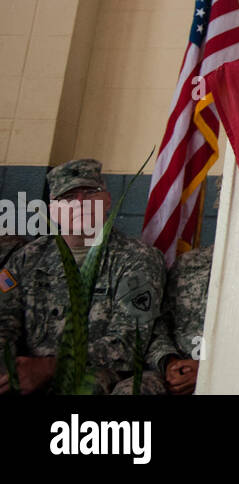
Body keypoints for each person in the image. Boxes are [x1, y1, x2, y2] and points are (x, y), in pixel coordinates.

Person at [0, 159, 166, 395]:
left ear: (107, 200)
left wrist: (51, 367)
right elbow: (4, 321)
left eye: (90, 193)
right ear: (53, 210)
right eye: (68, 197)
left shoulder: (137, 258)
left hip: (100, 373)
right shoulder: (27, 258)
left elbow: (128, 343)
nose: (79, 203)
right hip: (27, 371)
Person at [144, 244, 213, 395]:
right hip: (175, 370)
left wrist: (209, 370)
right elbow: (158, 326)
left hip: (232, 374)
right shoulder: (190, 262)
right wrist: (169, 362)